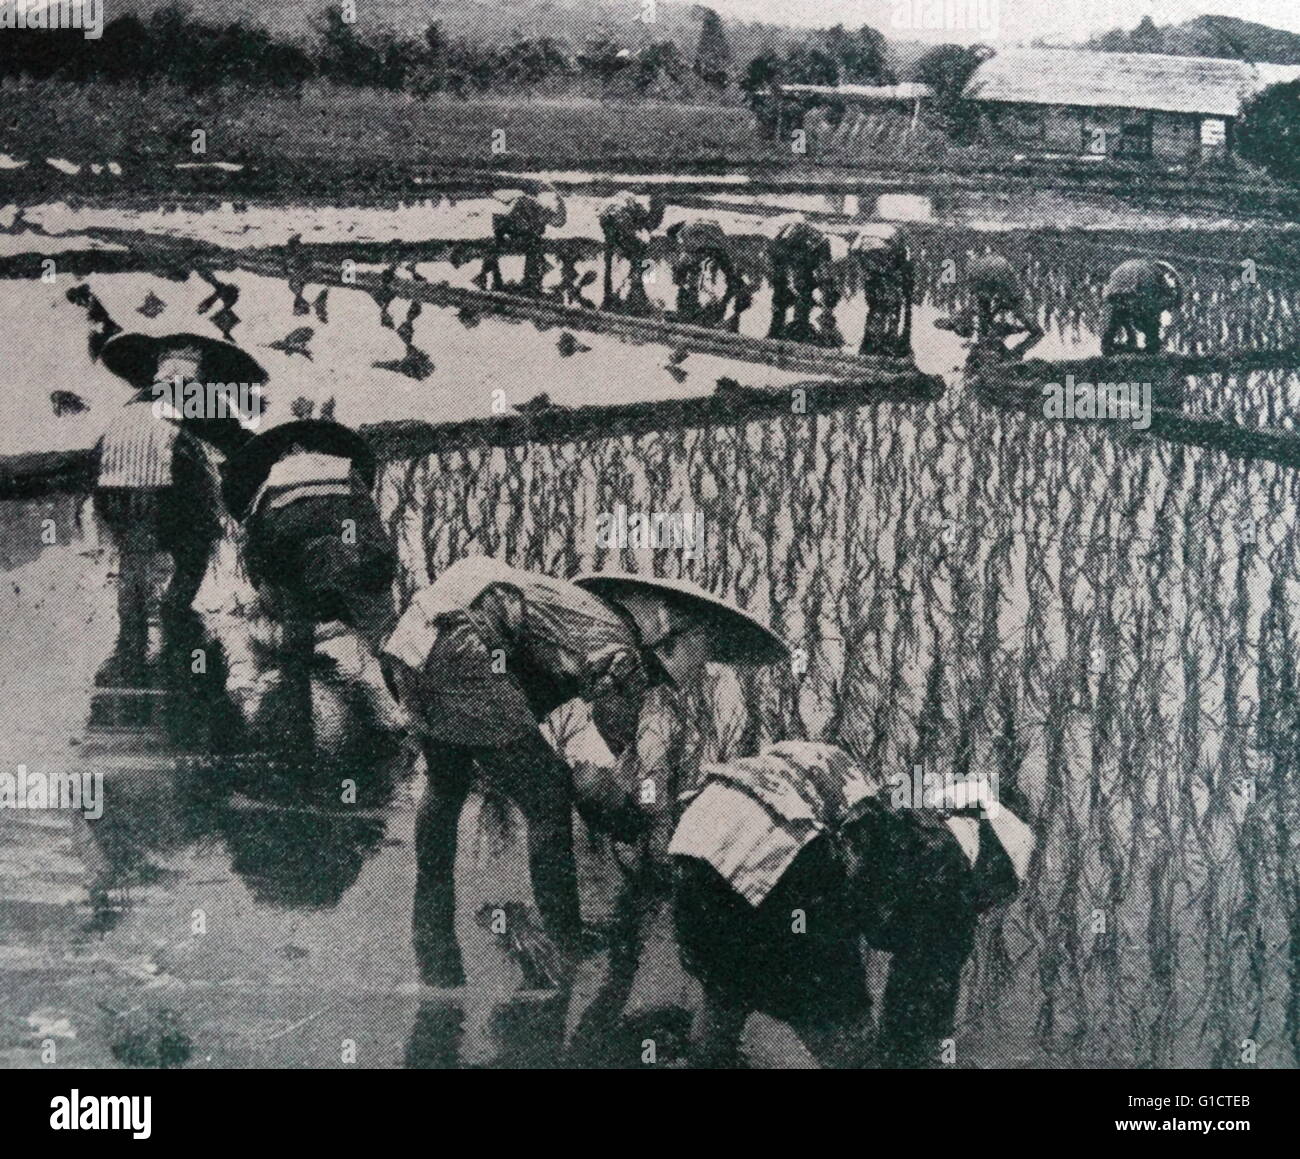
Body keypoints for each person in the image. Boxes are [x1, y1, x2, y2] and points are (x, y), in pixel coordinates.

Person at [379, 559, 788, 987]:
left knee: (445, 785)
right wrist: (642, 808)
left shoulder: (588, 615)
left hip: (411, 640)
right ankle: (565, 942)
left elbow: (581, 738)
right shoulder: (621, 652)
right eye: (658, 678)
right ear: (662, 643)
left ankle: (433, 949)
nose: (651, 687)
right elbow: (613, 755)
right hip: (464, 647)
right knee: (548, 797)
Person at [670, 742, 1036, 1068]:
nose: (985, 906)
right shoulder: (949, 861)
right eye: (995, 892)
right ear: (994, 862)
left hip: (696, 843)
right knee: (857, 1053)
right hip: (783, 863)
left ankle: (700, 1052)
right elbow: (916, 1010)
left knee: (727, 988)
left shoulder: (891, 803)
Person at [93, 332, 267, 689]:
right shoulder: (190, 396)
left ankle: (132, 640)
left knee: (132, 560)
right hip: (159, 487)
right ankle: (177, 616)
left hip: (111, 485)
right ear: (197, 375)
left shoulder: (135, 402)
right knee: (195, 547)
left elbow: (98, 454)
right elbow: (239, 442)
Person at [222, 418, 399, 753]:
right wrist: (352, 561)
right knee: (386, 636)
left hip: (288, 538)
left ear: (286, 452)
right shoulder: (344, 469)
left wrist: (271, 592)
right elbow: (366, 531)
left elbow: (256, 549)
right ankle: (408, 712)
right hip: (350, 530)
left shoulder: (272, 480)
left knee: (295, 632)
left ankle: (297, 730)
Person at [939, 253, 1043, 351]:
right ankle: (1029, 336)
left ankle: (988, 335)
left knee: (987, 306)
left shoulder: (965, 272)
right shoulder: (994, 272)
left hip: (987, 269)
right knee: (1008, 303)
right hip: (989, 267)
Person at [480, 185, 568, 295]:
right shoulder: (531, 205)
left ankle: (528, 284)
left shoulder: (527, 204)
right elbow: (558, 221)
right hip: (517, 238)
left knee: (532, 253)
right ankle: (529, 284)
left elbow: (557, 221)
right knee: (532, 252)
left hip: (519, 238)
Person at [767, 215, 841, 344]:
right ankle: (792, 328)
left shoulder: (811, 243)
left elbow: (823, 273)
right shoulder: (785, 242)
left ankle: (793, 328)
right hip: (799, 255)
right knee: (793, 293)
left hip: (803, 255)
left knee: (798, 293)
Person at [665, 220, 748, 330]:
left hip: (714, 246)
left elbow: (694, 252)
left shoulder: (686, 235)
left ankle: (725, 307)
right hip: (718, 245)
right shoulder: (692, 229)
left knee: (726, 275)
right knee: (728, 273)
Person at [851, 224, 914, 357]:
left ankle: (871, 344)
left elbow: (855, 250)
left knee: (876, 308)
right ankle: (884, 344)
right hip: (881, 268)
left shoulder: (872, 233)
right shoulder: (895, 242)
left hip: (871, 269)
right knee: (888, 306)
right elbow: (900, 261)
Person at [599, 192, 667, 311]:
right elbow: (641, 239)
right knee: (643, 255)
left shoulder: (641, 208)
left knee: (611, 256)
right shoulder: (646, 214)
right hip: (618, 214)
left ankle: (609, 295)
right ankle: (641, 292)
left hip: (605, 214)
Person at [1101, 259, 1183, 356]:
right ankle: (1151, 346)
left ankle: (1110, 344)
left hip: (1116, 289)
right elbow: (1150, 309)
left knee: (1119, 318)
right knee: (1150, 321)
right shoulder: (1155, 277)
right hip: (1132, 289)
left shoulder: (1155, 272)